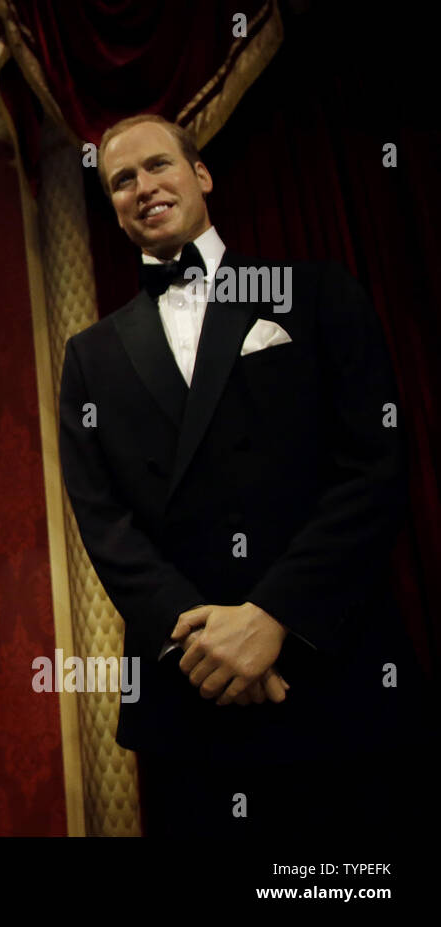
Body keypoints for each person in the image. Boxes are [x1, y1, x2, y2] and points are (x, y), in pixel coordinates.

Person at [59, 113, 423, 837]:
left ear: (201, 174)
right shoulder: (89, 355)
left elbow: (375, 466)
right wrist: (201, 641)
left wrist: (272, 616)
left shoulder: (315, 292)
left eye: (158, 165)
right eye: (120, 180)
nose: (142, 187)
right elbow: (102, 519)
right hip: (188, 701)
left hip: (333, 676)